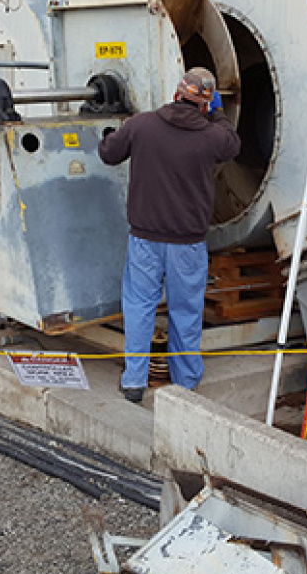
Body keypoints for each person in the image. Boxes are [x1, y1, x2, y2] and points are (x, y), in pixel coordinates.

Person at [99, 67, 241, 403]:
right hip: (187, 244)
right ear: (204, 103)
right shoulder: (212, 136)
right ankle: (185, 385)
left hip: (145, 239)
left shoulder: (142, 125)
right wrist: (219, 113)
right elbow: (232, 144)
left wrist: (117, 130)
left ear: (177, 94)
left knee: (139, 308)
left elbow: (108, 152)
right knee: (185, 312)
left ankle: (134, 382)